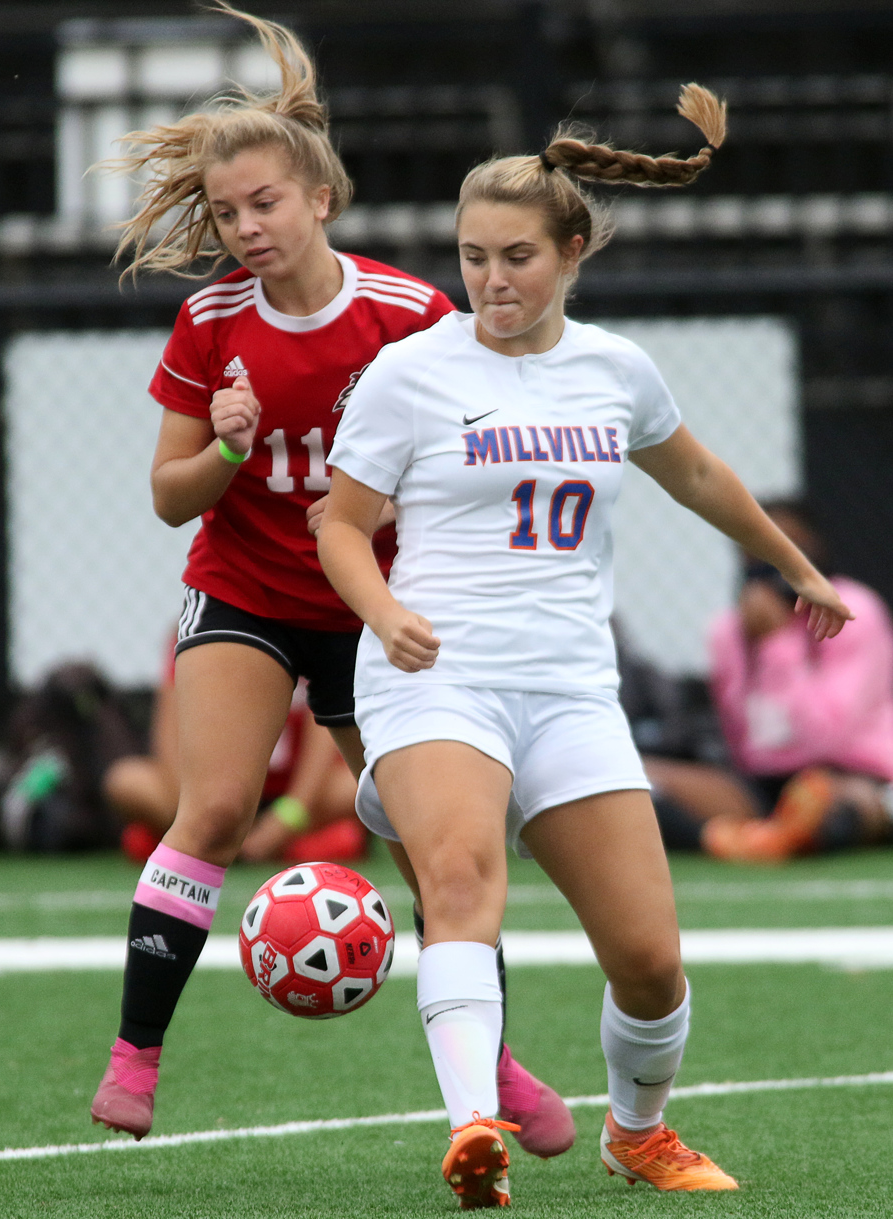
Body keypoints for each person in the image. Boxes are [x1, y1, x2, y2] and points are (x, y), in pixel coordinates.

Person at [317, 84, 854, 1205]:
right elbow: (339, 525)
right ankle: (473, 1126)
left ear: (571, 251)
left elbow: (698, 473)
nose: (491, 280)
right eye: (471, 257)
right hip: (437, 672)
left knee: (651, 961)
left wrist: (796, 569)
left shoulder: (614, 369)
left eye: (516, 256)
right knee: (462, 883)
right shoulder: (412, 373)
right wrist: (380, 609)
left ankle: (638, 1133)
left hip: (566, 686)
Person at [89, 2, 574, 1161]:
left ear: (320, 198)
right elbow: (169, 496)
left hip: (377, 611)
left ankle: (492, 1064)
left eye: (265, 204)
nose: (244, 228)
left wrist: (399, 500)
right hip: (247, 594)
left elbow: (477, 451)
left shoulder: (408, 315)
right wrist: (228, 447)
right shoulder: (208, 323)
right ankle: (134, 1055)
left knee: (437, 856)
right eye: (223, 212)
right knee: (210, 807)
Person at [645, 501, 893, 860]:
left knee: (837, 804)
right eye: (760, 543)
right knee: (634, 781)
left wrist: (779, 644)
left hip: (846, 775)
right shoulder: (729, 628)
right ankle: (725, 838)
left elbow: (826, 739)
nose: (776, 556)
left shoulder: (852, 608)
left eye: (790, 543)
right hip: (762, 784)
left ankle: (805, 831)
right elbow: (740, 736)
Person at [104, 638, 366, 865]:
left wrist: (288, 817)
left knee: (362, 786)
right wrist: (197, 813)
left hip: (292, 792)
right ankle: (284, 847)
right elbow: (170, 737)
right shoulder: (201, 623)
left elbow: (323, 736)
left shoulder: (312, 625)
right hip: (216, 795)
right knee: (127, 781)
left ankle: (261, 845)